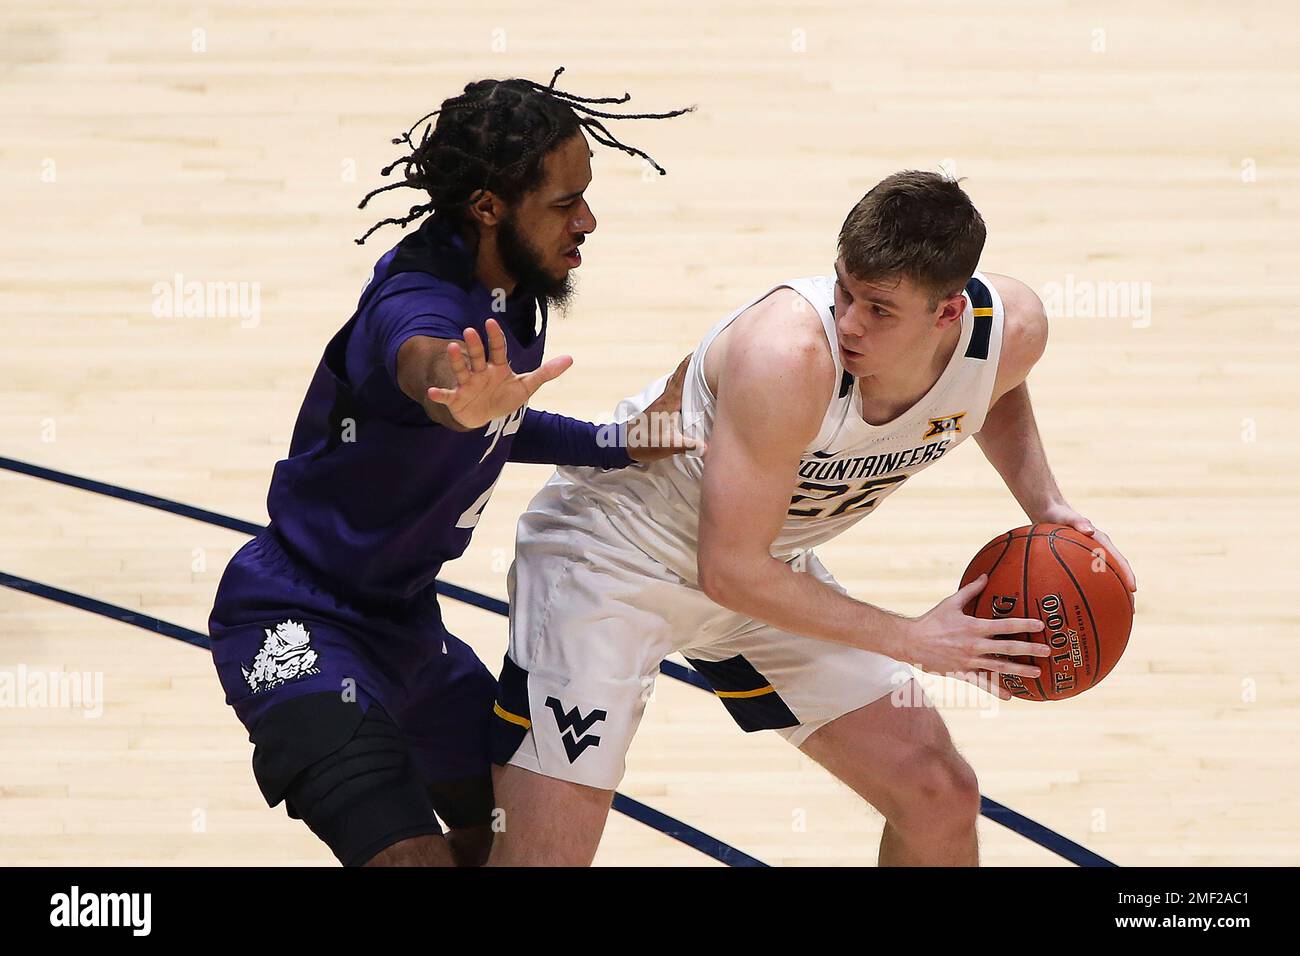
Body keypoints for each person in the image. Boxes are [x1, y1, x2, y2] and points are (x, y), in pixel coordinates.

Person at [488, 170, 1138, 866]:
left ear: (947, 315)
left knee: (938, 794)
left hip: (761, 568)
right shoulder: (789, 355)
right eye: (843, 290)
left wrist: (1046, 505)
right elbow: (728, 570)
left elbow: (988, 385)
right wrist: (915, 639)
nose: (851, 322)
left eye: (880, 310)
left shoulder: (1013, 329)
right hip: (614, 563)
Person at [207, 70, 692, 867]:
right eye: (566, 204)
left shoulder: (513, 293)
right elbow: (427, 364)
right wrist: (454, 397)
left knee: (513, 836)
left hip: (406, 627)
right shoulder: (418, 302)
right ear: (489, 206)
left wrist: (619, 442)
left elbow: (493, 418)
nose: (589, 220)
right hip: (293, 617)